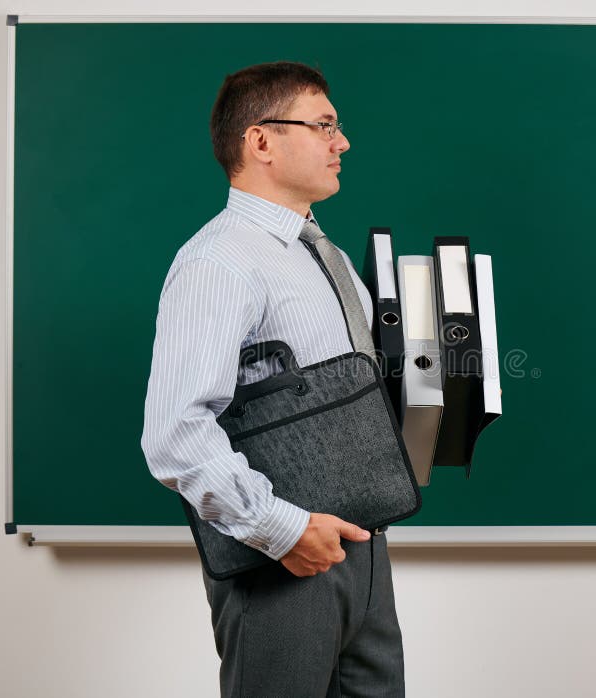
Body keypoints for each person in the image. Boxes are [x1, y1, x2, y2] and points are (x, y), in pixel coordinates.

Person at [141, 61, 404, 698]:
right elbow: (175, 432)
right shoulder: (219, 261)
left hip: (364, 550)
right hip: (277, 559)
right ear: (260, 141)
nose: (342, 143)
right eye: (323, 125)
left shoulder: (331, 257)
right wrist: (284, 531)